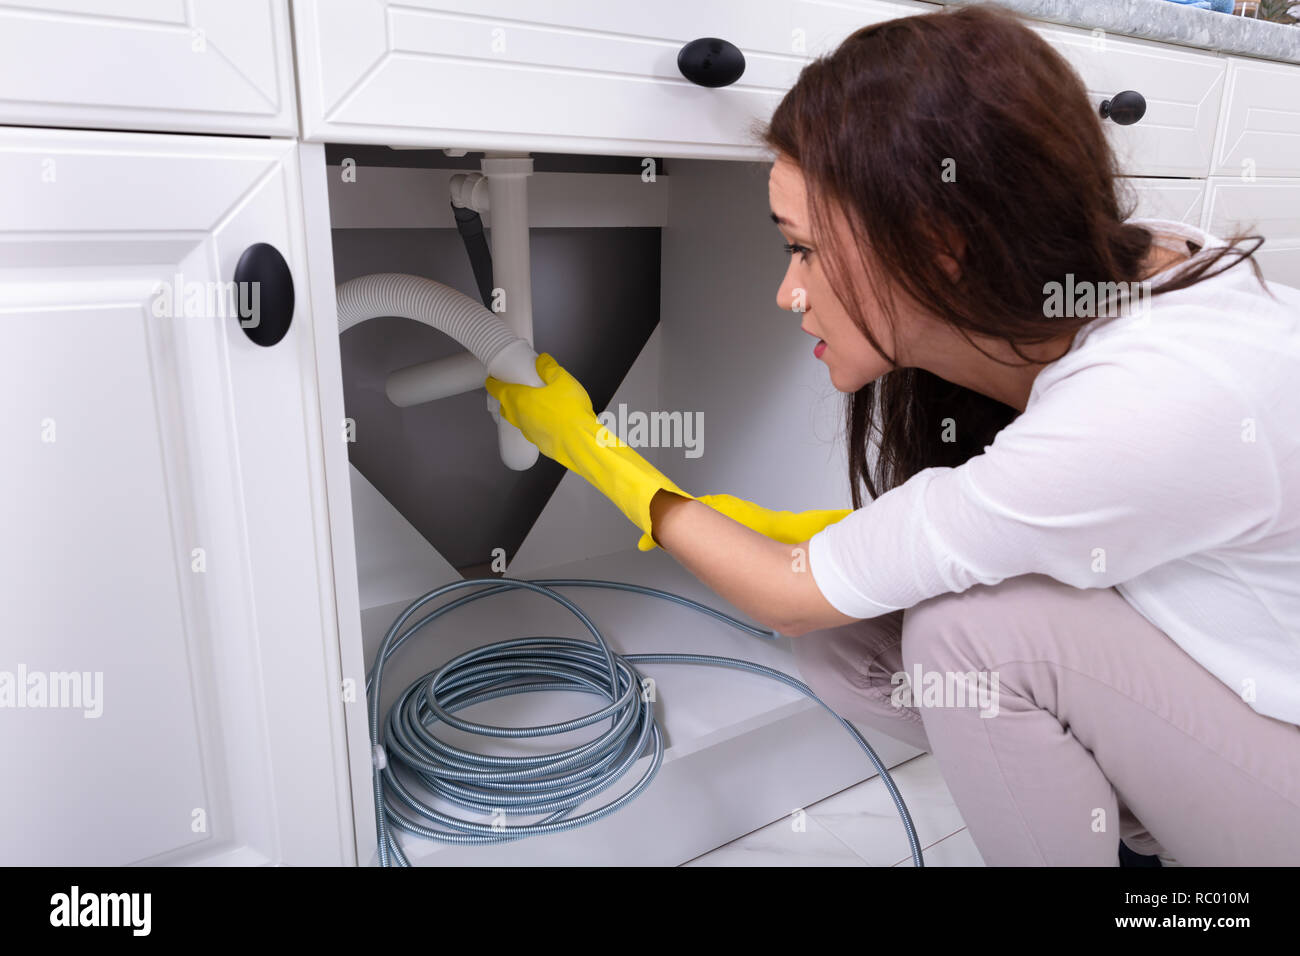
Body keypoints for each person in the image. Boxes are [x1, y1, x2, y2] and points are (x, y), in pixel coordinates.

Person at [485, 4, 1300, 866]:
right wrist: (812, 538)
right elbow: (1000, 528)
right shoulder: (1140, 265)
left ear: (938, 248)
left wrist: (589, 449)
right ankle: (1144, 819)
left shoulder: (1147, 401)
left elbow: (784, 596)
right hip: (1250, 686)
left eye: (803, 250)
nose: (787, 292)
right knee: (855, 641)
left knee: (975, 639)